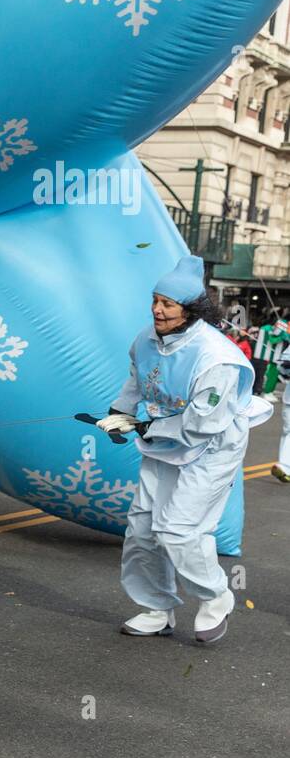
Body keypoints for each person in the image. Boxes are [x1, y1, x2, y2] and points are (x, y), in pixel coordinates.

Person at [97, 256, 271, 644]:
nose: (157, 309)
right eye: (155, 300)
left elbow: (202, 424)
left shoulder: (217, 357)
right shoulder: (145, 339)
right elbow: (136, 380)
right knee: (142, 528)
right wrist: (119, 413)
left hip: (211, 449)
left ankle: (216, 596)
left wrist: (144, 424)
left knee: (177, 531)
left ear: (190, 309)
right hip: (162, 443)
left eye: (168, 304)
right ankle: (156, 608)